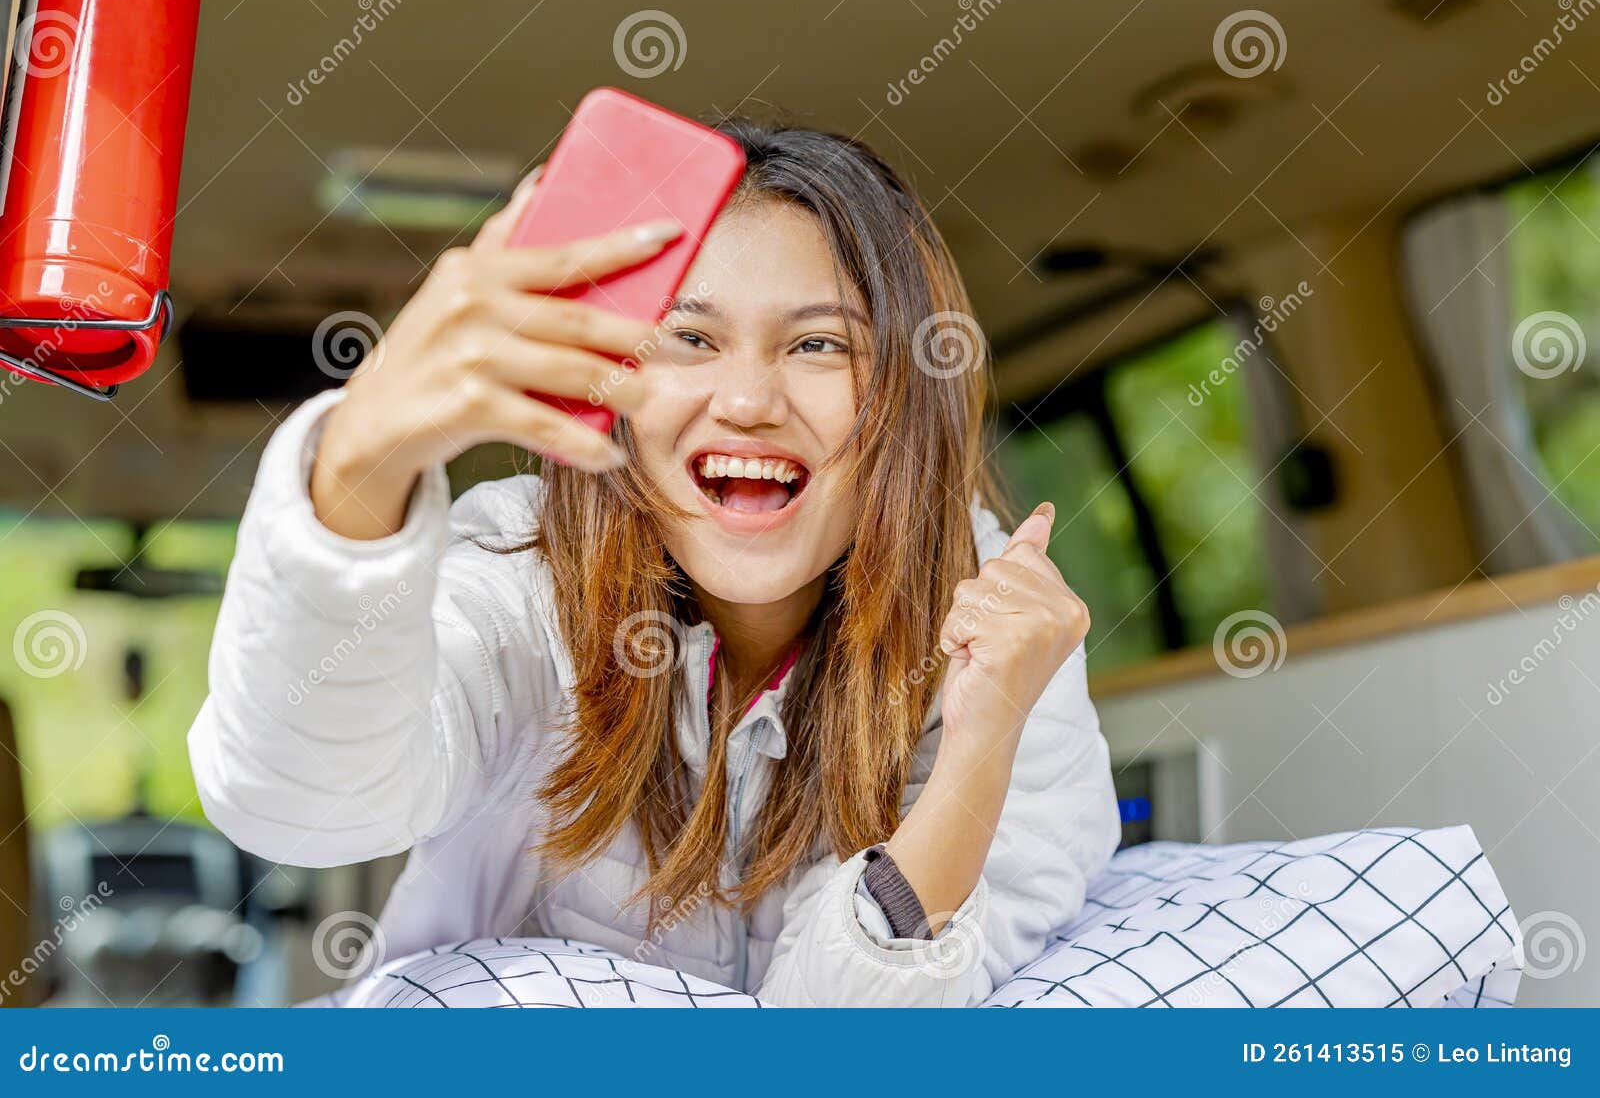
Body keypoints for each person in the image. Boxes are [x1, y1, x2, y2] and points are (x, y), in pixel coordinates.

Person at [188, 116, 1119, 1006]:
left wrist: (982, 738)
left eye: (818, 344)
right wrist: (361, 461)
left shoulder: (997, 639)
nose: (749, 399)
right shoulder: (525, 571)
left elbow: (834, 1047)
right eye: (690, 338)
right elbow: (293, 806)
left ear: (902, 405)